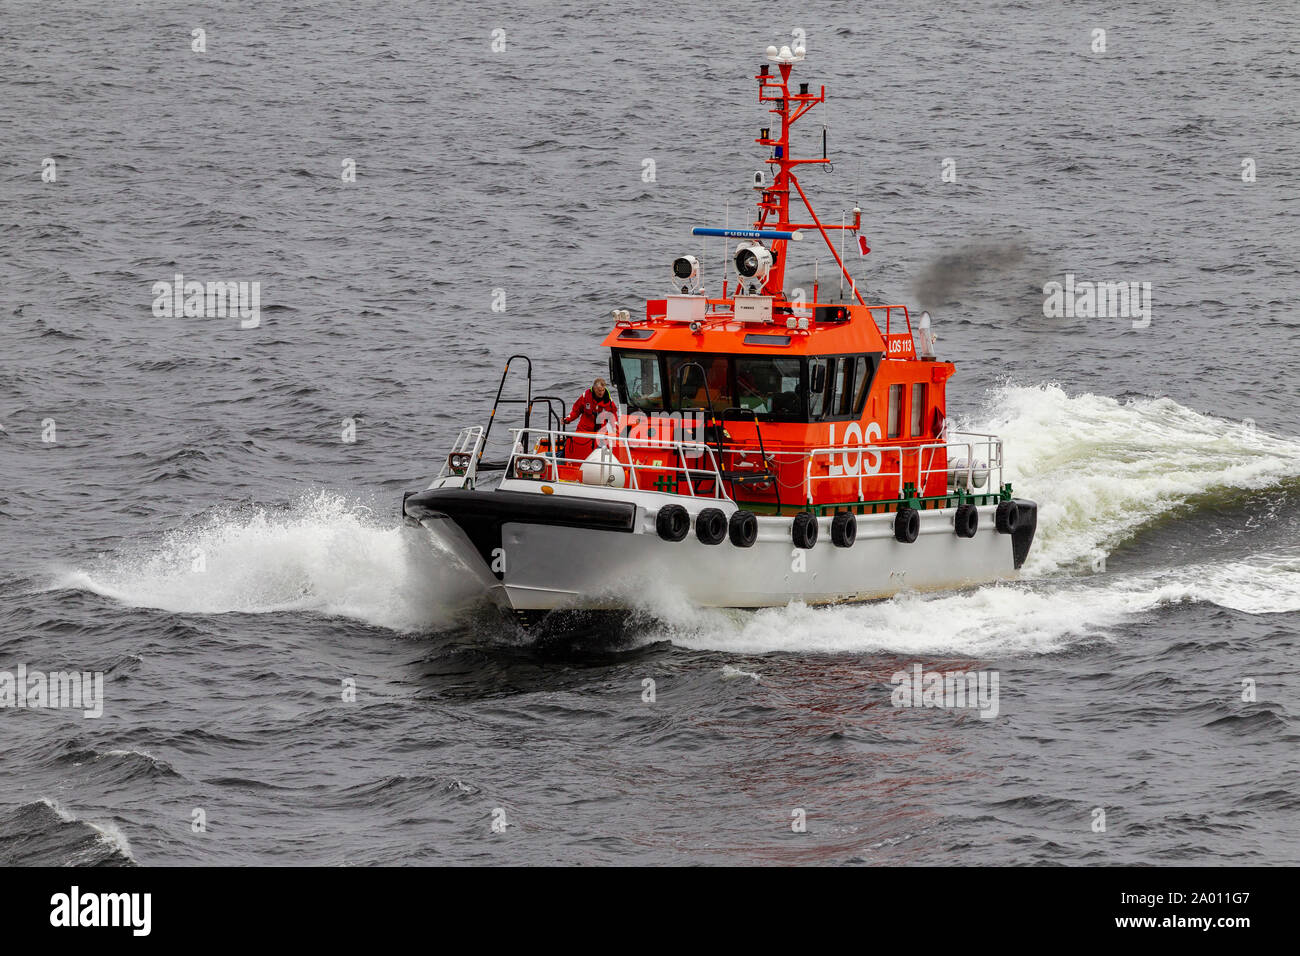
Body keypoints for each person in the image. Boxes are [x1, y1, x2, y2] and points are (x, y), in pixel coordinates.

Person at [564, 377, 618, 462]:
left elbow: (613, 416)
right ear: (594, 389)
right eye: (599, 390)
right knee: (574, 446)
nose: (601, 393)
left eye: (603, 390)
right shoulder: (586, 396)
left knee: (604, 450)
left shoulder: (609, 401)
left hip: (600, 432)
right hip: (584, 429)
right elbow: (576, 410)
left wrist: (616, 428)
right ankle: (559, 457)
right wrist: (568, 419)